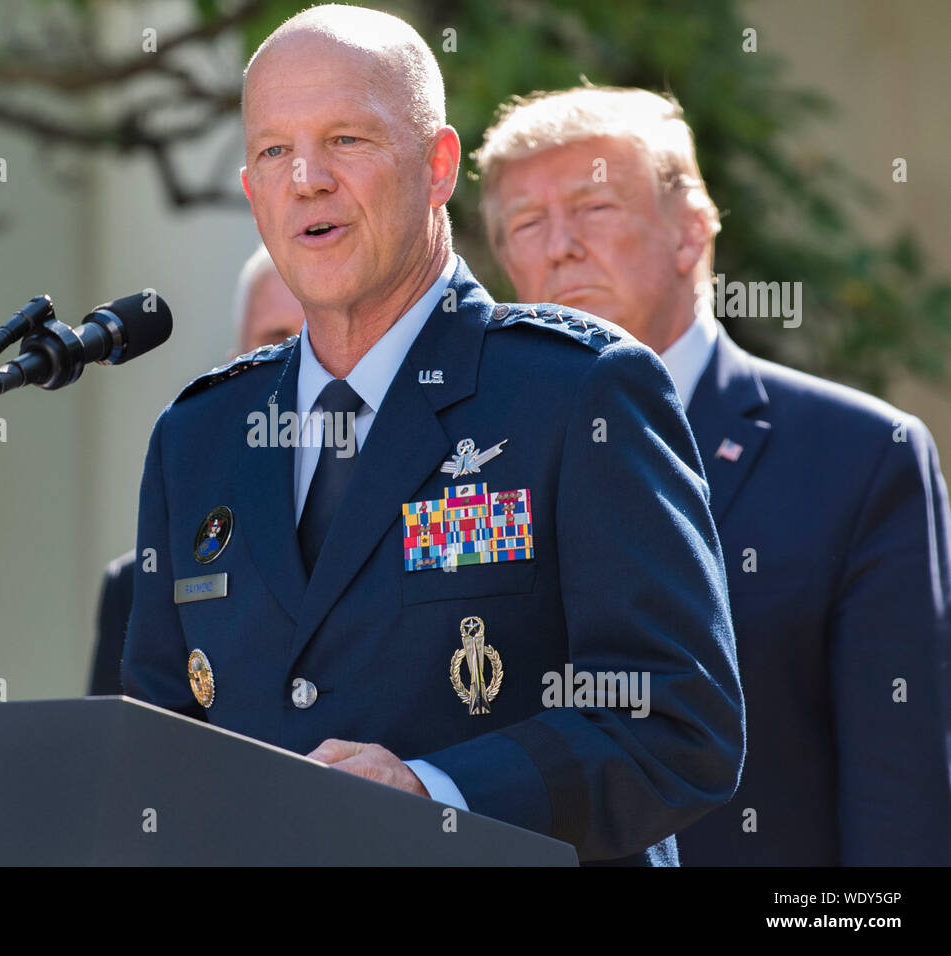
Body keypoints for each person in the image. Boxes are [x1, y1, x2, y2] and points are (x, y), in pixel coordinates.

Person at [122, 6, 745, 865]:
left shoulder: (577, 393)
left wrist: (436, 795)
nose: (307, 178)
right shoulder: (198, 437)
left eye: (347, 140)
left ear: (439, 165)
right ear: (251, 189)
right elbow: (157, 751)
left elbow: (678, 724)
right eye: (274, 150)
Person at [477, 84, 951, 864]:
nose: (559, 244)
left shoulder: (861, 457)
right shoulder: (475, 461)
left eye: (594, 207)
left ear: (691, 233)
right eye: (527, 223)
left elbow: (898, 795)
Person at [90, 245, 304, 695]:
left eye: (319, 344)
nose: (301, 365)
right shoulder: (137, 588)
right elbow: (114, 759)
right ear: (236, 366)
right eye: (278, 341)